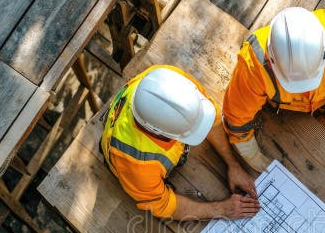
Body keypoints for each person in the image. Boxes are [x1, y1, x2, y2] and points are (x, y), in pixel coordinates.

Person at [101, 65, 260, 220]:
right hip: (130, 171)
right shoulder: (136, 164)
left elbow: (209, 118)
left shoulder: (170, 80)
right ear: (160, 133)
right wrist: (220, 209)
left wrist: (233, 165)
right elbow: (162, 205)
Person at [222, 6, 325, 171]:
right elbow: (237, 117)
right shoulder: (253, 66)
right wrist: (251, 154)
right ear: (271, 60)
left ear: (324, 51)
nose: (301, 90)